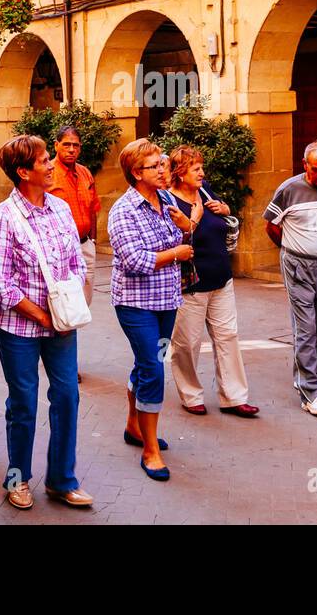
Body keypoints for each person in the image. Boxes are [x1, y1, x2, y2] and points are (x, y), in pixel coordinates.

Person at [0, 136, 91, 509]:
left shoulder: (60, 209)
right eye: (45, 160)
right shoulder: (3, 217)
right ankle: (18, 478)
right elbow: (0, 284)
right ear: (23, 172)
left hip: (60, 325)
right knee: (24, 402)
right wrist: (44, 315)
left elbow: (77, 263)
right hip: (19, 329)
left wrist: (67, 306)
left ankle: (62, 479)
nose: (51, 165)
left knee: (67, 395)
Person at [107, 138, 197, 482]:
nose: (164, 169)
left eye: (163, 163)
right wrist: (176, 254)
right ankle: (150, 450)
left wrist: (186, 227)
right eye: (156, 165)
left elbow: (185, 237)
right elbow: (135, 261)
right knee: (153, 369)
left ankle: (134, 425)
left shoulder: (167, 199)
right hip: (135, 303)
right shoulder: (123, 211)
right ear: (136, 173)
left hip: (167, 300)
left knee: (149, 363)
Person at [166, 145, 258, 417]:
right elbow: (172, 242)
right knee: (187, 344)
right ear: (181, 173)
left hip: (221, 279)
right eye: (196, 169)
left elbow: (223, 221)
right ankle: (191, 394)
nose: (202, 173)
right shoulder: (170, 203)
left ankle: (234, 396)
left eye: (201, 168)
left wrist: (226, 208)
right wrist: (192, 223)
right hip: (192, 285)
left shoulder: (204, 191)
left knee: (228, 337)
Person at [263, 141, 317, 417]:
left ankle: (305, 373)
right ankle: (311, 391)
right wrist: (291, 249)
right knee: (305, 326)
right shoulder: (288, 189)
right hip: (296, 263)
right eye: (316, 170)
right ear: (305, 166)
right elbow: (271, 225)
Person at [48, 126, 101, 306]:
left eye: (76, 145)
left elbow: (93, 208)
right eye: (66, 145)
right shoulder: (48, 173)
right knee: (62, 298)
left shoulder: (85, 172)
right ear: (56, 145)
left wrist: (92, 240)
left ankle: (76, 328)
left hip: (85, 244)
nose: (71, 149)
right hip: (59, 247)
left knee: (85, 300)